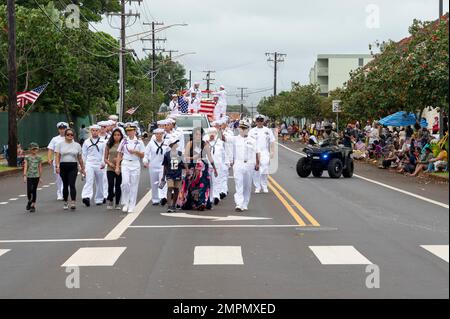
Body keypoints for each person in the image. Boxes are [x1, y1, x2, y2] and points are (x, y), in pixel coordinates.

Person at [224, 120, 260, 212]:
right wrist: (220, 129)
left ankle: (245, 204)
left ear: (248, 129)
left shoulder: (252, 140)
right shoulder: (235, 138)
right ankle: (239, 204)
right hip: (238, 163)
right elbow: (224, 138)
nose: (242, 130)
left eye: (244, 128)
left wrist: (257, 163)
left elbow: (257, 152)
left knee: (247, 186)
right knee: (238, 184)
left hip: (249, 164)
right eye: (241, 128)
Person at [180, 127, 218, 211]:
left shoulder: (205, 144)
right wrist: (192, 158)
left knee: (203, 185)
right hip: (191, 167)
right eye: (196, 134)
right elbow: (185, 157)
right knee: (190, 186)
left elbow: (210, 157)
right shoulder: (189, 144)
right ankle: (190, 202)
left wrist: (215, 169)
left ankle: (202, 203)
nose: (198, 136)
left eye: (199, 134)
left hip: (203, 168)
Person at [115, 123, 145, 213]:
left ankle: (132, 205)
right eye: (128, 131)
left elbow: (143, 155)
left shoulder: (139, 142)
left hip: (135, 163)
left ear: (135, 131)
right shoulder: (124, 141)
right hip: (125, 163)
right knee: (125, 183)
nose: (130, 132)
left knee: (134, 185)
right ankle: (125, 202)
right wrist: (117, 166)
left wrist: (136, 151)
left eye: (131, 130)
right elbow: (119, 153)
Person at [55, 128, 85, 210]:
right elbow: (57, 156)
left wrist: (82, 168)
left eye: (72, 135)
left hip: (73, 166)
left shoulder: (77, 145)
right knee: (65, 185)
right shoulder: (60, 144)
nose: (70, 136)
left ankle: (73, 202)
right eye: (68, 134)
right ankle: (65, 201)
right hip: (63, 165)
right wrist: (57, 166)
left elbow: (80, 158)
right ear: (65, 135)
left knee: (72, 184)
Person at [81, 125, 107, 207]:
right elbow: (84, 154)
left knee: (100, 182)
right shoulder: (87, 142)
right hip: (90, 163)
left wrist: (103, 162)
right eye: (93, 130)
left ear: (99, 131)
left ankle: (99, 198)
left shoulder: (103, 141)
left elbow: (104, 153)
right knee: (89, 180)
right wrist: (82, 166)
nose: (94, 132)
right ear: (91, 131)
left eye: (96, 130)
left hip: (99, 163)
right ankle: (86, 197)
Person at [249, 114, 275, 194]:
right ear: (255, 121)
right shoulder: (252, 131)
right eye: (258, 120)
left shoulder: (268, 130)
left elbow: (272, 141)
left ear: (263, 121)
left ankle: (264, 186)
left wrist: (272, 152)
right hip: (254, 152)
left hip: (264, 152)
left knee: (265, 170)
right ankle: (257, 186)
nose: (259, 122)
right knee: (256, 170)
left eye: (261, 120)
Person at [143, 128, 168, 206]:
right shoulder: (151, 143)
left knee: (162, 181)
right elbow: (146, 154)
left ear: (163, 134)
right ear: (155, 135)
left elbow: (171, 152)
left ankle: (163, 197)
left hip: (163, 166)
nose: (159, 135)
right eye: (157, 134)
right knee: (154, 183)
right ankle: (155, 199)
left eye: (160, 134)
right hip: (153, 165)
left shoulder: (166, 143)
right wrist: (145, 161)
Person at [161, 136, 187, 213]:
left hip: (178, 174)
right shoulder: (167, 154)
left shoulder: (179, 153)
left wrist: (187, 170)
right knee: (170, 188)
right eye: (175, 143)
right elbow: (165, 166)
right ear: (172, 145)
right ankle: (169, 206)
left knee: (176, 190)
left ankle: (173, 205)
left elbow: (184, 163)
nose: (177, 144)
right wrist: (163, 176)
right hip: (169, 174)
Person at [47, 122, 69, 200]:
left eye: (64, 128)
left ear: (67, 129)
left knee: (66, 177)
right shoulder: (55, 139)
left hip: (67, 160)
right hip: (57, 161)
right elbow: (50, 149)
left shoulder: (69, 138)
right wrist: (49, 158)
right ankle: (59, 192)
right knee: (58, 178)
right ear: (58, 129)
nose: (62, 130)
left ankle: (63, 191)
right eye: (60, 129)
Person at [105, 127, 124, 210]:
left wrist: (120, 160)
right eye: (115, 135)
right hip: (110, 168)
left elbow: (126, 155)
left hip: (120, 167)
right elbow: (105, 158)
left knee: (118, 186)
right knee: (110, 184)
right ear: (112, 136)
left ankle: (117, 203)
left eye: (118, 135)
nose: (117, 136)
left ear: (121, 136)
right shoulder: (109, 144)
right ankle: (110, 199)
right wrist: (110, 163)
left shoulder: (124, 144)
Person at [205, 127, 225, 205]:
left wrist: (225, 163)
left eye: (213, 132)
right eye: (210, 132)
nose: (212, 134)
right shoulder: (205, 141)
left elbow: (223, 154)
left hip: (217, 164)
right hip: (208, 164)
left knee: (216, 180)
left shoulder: (220, 142)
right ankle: (209, 198)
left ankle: (216, 196)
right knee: (209, 182)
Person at [23, 142, 43, 213]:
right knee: (29, 190)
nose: (35, 150)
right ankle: (29, 201)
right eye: (33, 149)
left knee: (34, 190)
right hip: (29, 176)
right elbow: (25, 167)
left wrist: (40, 177)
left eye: (36, 149)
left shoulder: (39, 158)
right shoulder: (27, 157)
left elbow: (40, 167)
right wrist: (24, 176)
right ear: (30, 150)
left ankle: (33, 205)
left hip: (36, 176)